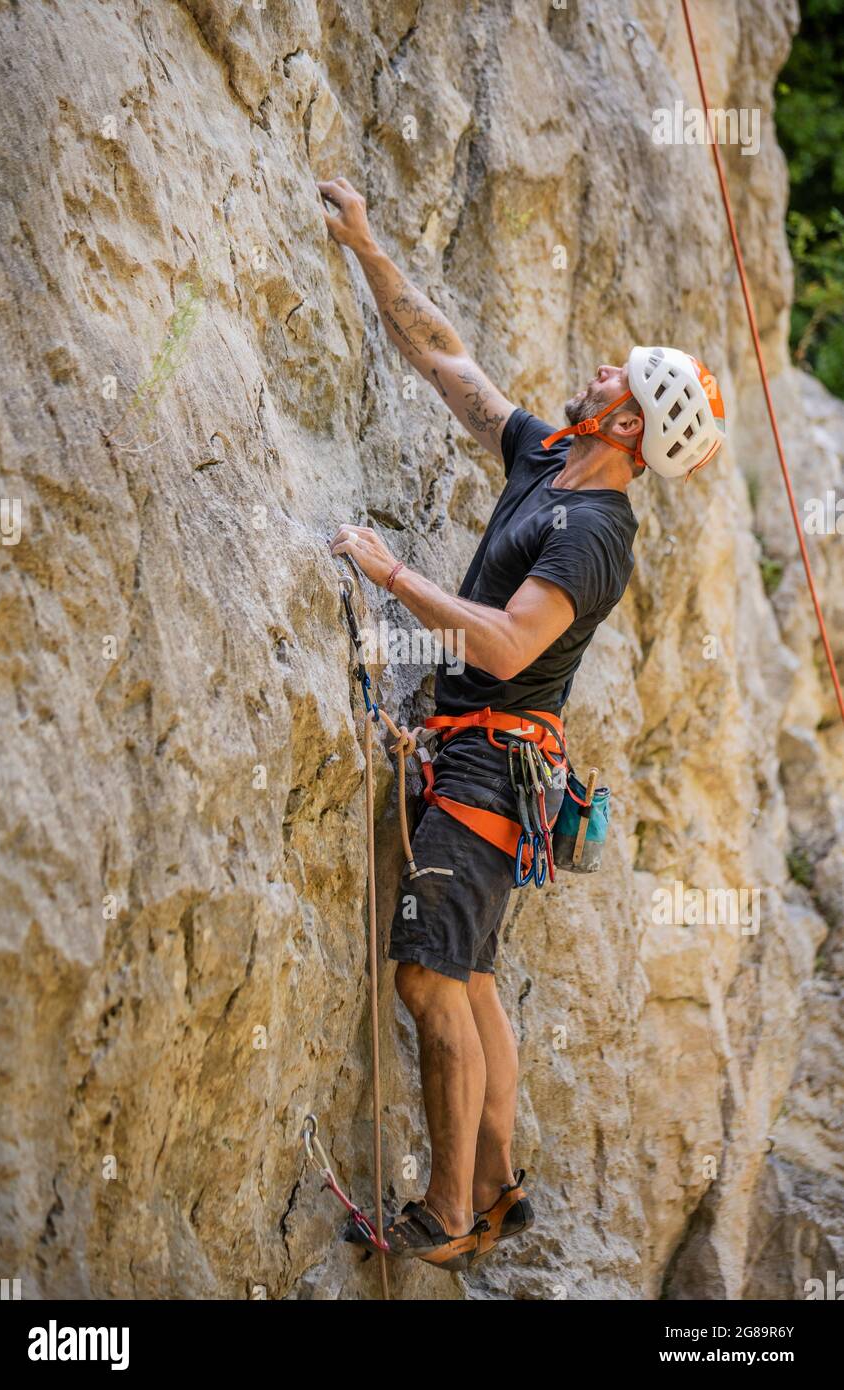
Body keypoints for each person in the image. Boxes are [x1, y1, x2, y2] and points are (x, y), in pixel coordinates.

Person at [321, 176, 725, 1271]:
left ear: (631, 423)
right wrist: (366, 245)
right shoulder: (546, 456)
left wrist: (391, 571)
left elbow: (502, 645)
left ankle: (448, 1214)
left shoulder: (595, 533)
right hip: (492, 771)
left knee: (426, 979)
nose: (595, 371)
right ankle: (495, 1190)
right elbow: (450, 364)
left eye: (616, 376)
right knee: (477, 981)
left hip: (486, 777)